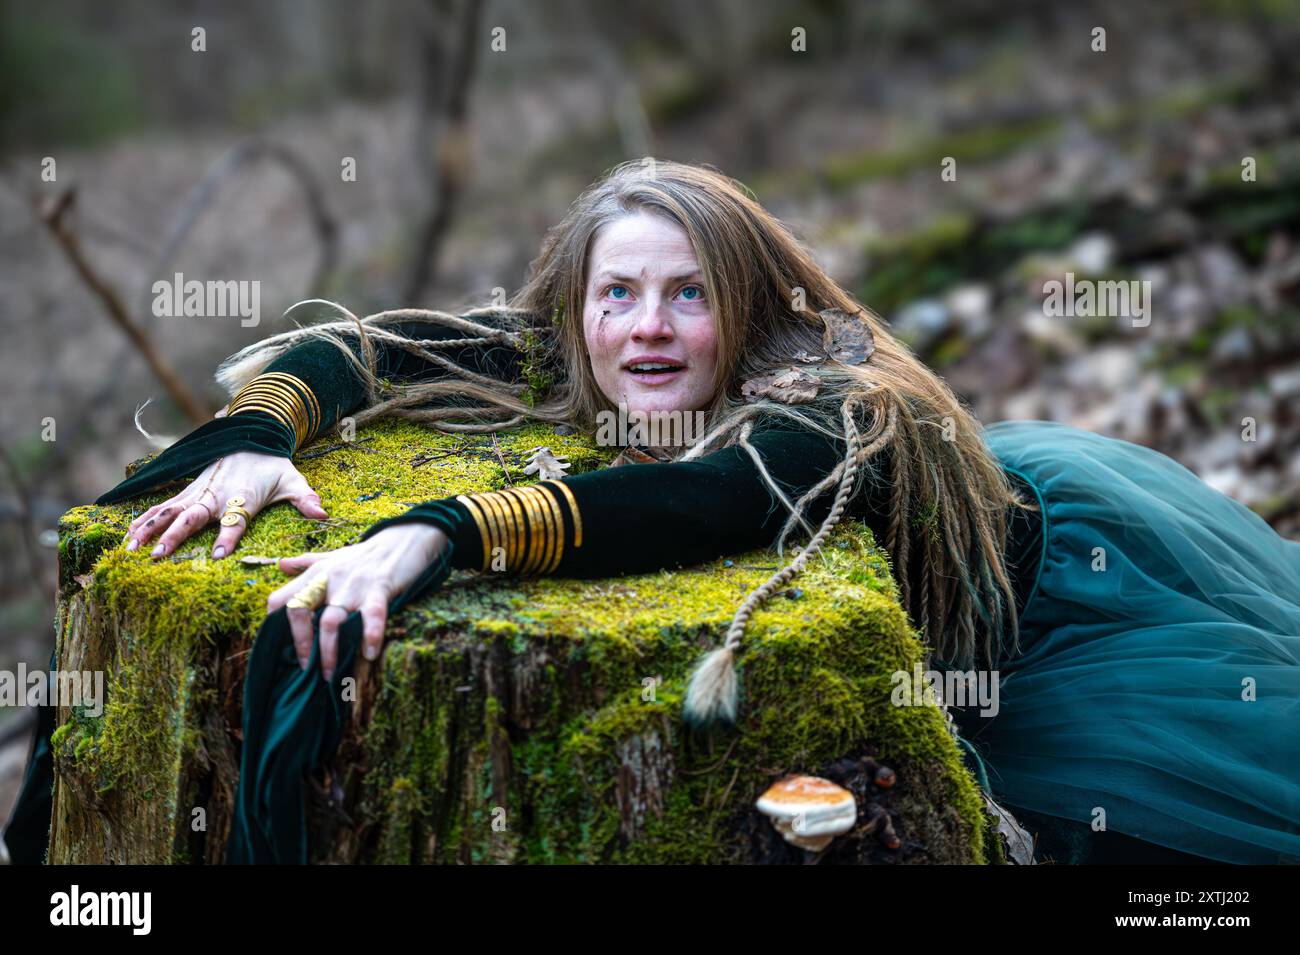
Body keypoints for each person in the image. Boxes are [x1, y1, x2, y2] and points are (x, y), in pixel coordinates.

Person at [6, 160, 1299, 865]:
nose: (648, 329)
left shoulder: (833, 395)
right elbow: (378, 349)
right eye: (618, 294)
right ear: (578, 303)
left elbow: (707, 495)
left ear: (748, 301)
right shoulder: (580, 339)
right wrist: (245, 439)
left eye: (687, 294)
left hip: (1044, 623)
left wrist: (442, 529)